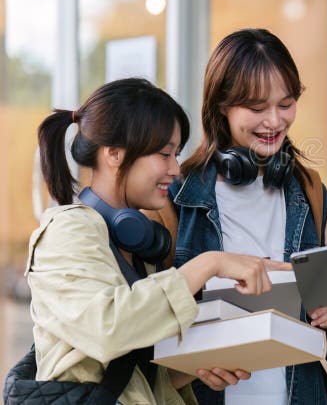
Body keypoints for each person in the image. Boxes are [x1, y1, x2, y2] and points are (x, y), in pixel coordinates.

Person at [146, 28, 327, 405]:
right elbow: (145, 323)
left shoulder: (309, 191)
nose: (275, 121)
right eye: (258, 108)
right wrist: (190, 364)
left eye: (286, 104)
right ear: (222, 106)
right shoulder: (176, 199)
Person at [29, 77, 273, 405]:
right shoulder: (67, 231)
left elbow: (133, 373)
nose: (175, 169)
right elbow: (107, 330)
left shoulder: (139, 244)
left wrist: (198, 366)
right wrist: (210, 263)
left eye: (176, 155)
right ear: (114, 153)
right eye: (164, 154)